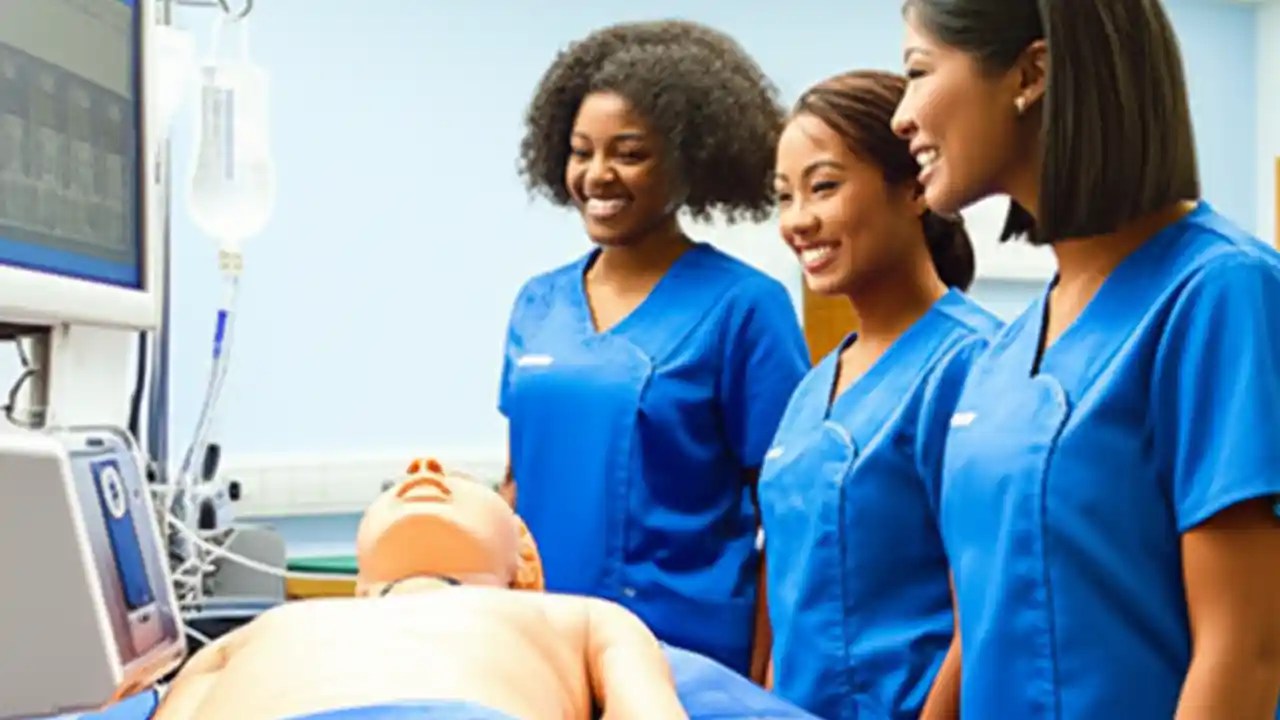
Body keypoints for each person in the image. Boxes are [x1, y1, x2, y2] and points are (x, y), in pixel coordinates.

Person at [890, 1, 1280, 718]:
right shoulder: (1004, 355)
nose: (901, 116)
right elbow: (984, 628)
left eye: (918, 72)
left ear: (1031, 73)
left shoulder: (1221, 294)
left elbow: (1247, 655)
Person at [500, 19, 810, 678]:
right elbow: (517, 482)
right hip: (542, 645)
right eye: (582, 151)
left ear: (690, 159)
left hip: (687, 656)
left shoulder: (744, 307)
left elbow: (789, 513)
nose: (598, 175)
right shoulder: (538, 303)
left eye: (629, 152)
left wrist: (764, 672)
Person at [149, 460, 819, 720]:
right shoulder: (270, 630)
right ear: (359, 582)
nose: (423, 466)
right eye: (400, 486)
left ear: (525, 562)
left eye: (461, 482)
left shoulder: (576, 617)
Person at [760, 70, 1001, 720]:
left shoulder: (976, 365)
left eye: (824, 187)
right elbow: (794, 598)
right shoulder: (813, 389)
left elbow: (985, 606)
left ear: (916, 186)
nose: (798, 221)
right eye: (784, 197)